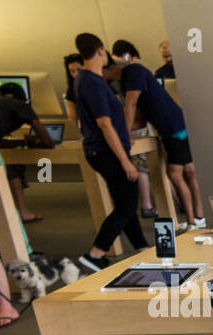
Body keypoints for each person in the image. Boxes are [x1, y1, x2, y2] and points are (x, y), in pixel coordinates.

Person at [72, 32, 148, 272]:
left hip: (103, 150)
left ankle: (142, 249)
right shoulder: (92, 82)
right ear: (100, 51)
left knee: (126, 202)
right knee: (126, 205)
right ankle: (95, 254)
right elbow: (104, 124)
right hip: (107, 152)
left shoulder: (86, 79)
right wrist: (125, 161)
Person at [112, 39, 206, 228]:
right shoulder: (141, 74)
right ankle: (198, 217)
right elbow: (138, 113)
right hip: (174, 126)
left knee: (176, 174)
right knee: (189, 172)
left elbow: (131, 105)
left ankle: (191, 220)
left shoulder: (134, 72)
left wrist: (123, 134)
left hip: (173, 129)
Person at [0, 82, 55, 222]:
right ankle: (23, 213)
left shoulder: (0, 104)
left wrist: (19, 143)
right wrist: (36, 142)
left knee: (11, 167)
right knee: (13, 170)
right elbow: (48, 142)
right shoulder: (21, 106)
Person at [62, 53, 84, 123]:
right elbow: (72, 117)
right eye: (72, 71)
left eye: (79, 70)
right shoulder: (72, 90)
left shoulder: (98, 84)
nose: (76, 74)